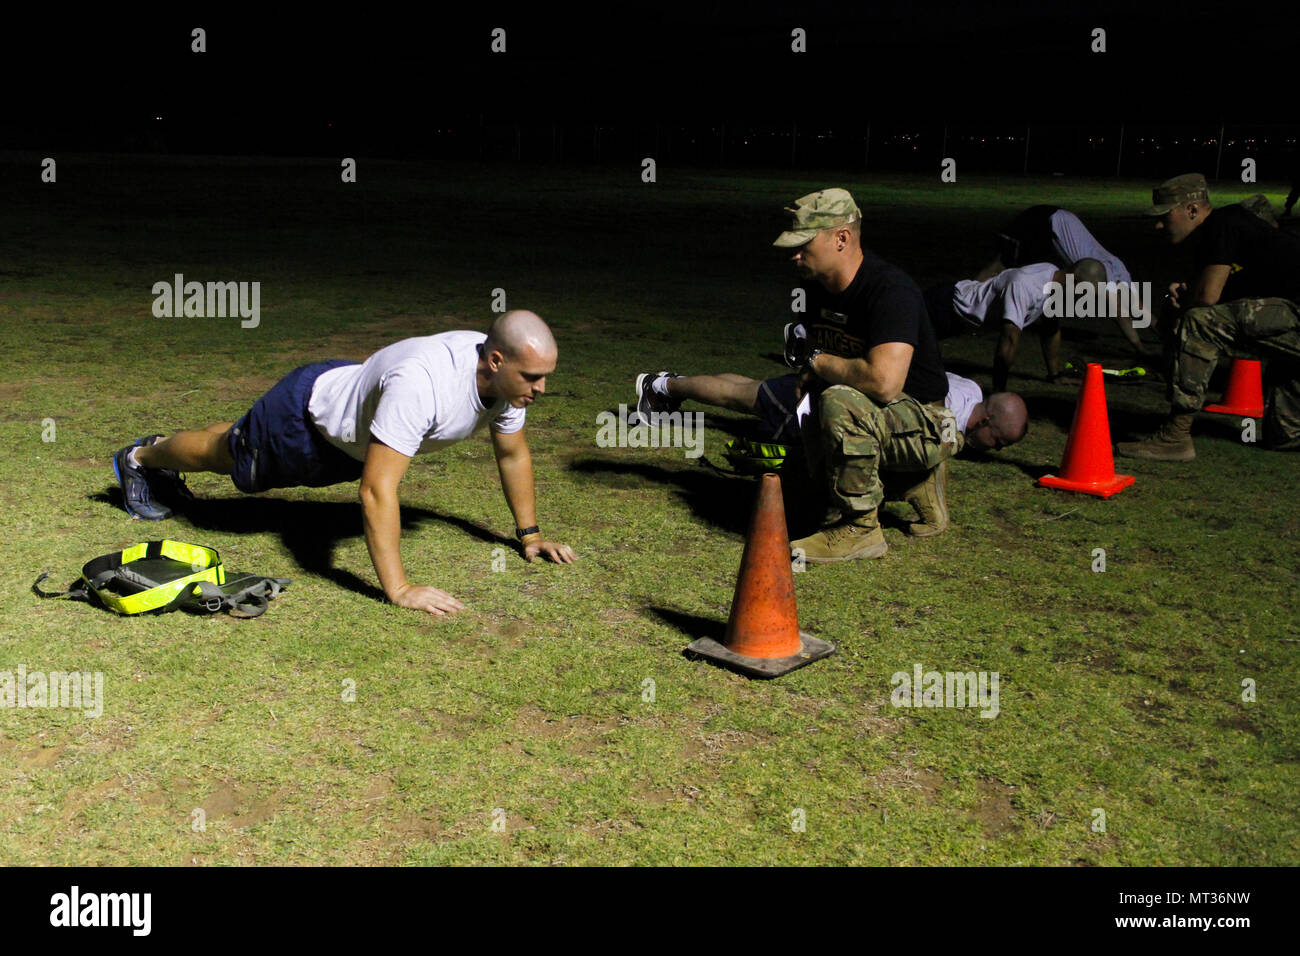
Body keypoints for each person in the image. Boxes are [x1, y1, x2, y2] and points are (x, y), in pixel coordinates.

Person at [111, 310, 577, 615]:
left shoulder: (508, 378)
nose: (540, 389)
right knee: (229, 459)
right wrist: (399, 589)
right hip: (303, 423)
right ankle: (141, 456)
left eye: (545, 378)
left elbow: (511, 450)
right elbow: (376, 491)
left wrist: (529, 535)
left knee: (237, 441)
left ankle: (236, 432)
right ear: (495, 360)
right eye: (534, 378)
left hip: (345, 433)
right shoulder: (424, 384)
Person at [639, 187, 961, 563]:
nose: (794, 254)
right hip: (883, 420)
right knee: (809, 414)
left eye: (803, 244)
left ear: (841, 238)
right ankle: (912, 484)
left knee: (837, 400)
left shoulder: (890, 290)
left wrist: (819, 364)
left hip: (929, 426)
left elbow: (883, 383)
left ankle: (861, 529)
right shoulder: (817, 289)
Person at [1116, 174, 1300, 460]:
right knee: (1284, 438)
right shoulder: (1229, 225)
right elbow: (1233, 288)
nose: (1159, 225)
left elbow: (1207, 298)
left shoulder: (1221, 224)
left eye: (1165, 216)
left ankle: (1175, 437)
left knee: (1199, 323)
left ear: (1191, 210)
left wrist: (1185, 303)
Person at [977, 205, 1147, 356]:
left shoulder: (1119, 269)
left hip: (1052, 220)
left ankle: (977, 301)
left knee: (1041, 294)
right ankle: (968, 300)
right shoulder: (1105, 275)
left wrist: (1165, 332)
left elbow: (1139, 310)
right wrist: (1140, 348)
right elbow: (1119, 313)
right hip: (1041, 221)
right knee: (1000, 266)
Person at [925, 259, 1107, 392]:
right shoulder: (1025, 286)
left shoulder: (1053, 277)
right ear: (1074, 281)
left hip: (960, 320)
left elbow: (1050, 328)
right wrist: (999, 392)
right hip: (944, 307)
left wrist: (1055, 375)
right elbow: (1009, 342)